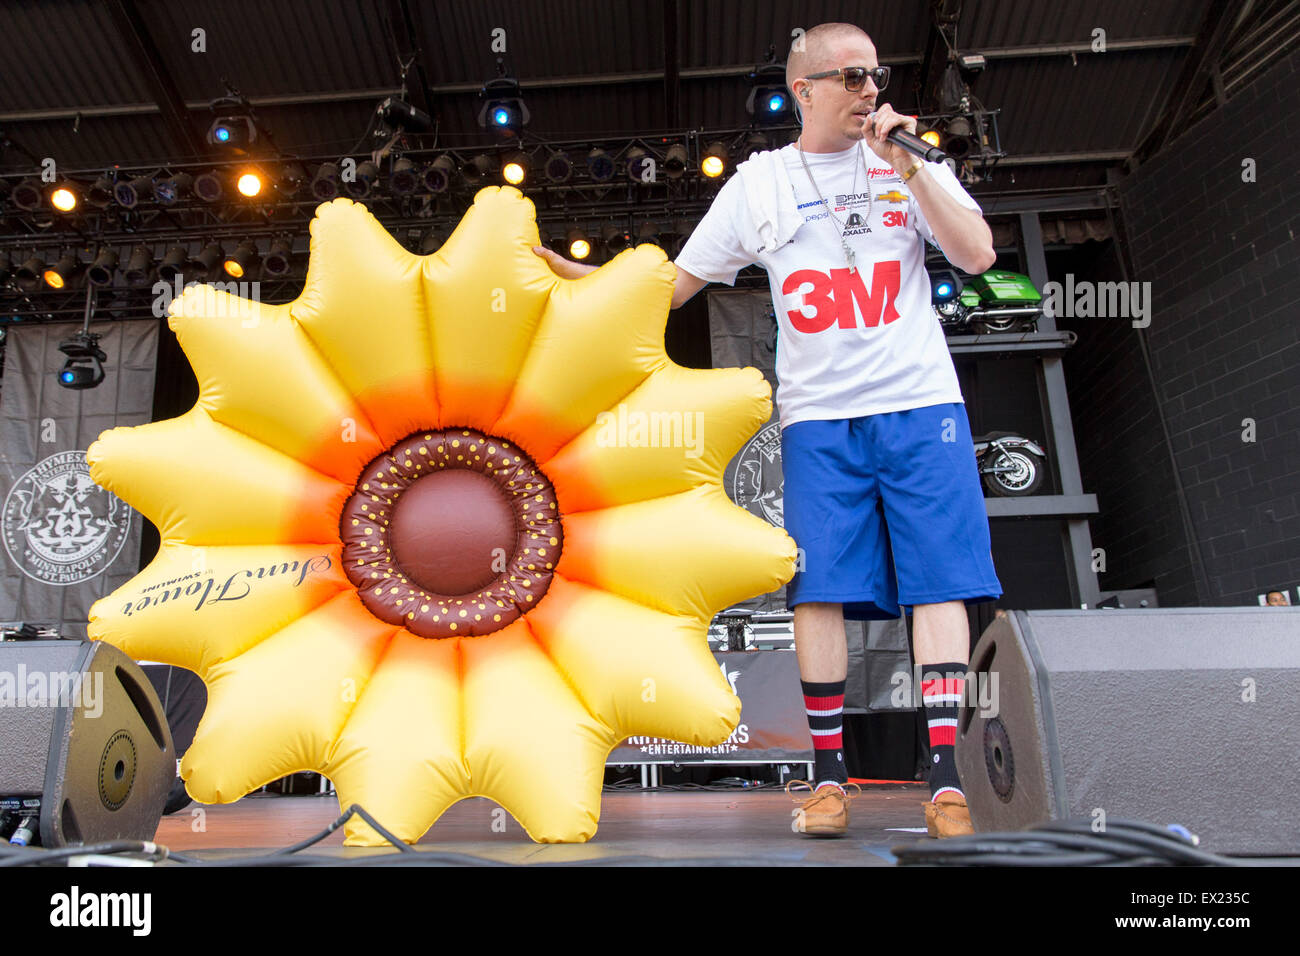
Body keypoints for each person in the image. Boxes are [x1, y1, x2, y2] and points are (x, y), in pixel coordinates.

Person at [533, 22, 1001, 839]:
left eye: (875, 75)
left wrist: (914, 172)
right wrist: (588, 280)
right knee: (817, 591)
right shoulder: (760, 184)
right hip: (820, 419)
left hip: (923, 407)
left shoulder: (912, 162)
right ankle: (826, 781)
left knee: (938, 582)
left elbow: (976, 256)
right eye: (849, 77)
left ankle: (946, 783)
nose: (867, 90)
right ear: (804, 91)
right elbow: (672, 289)